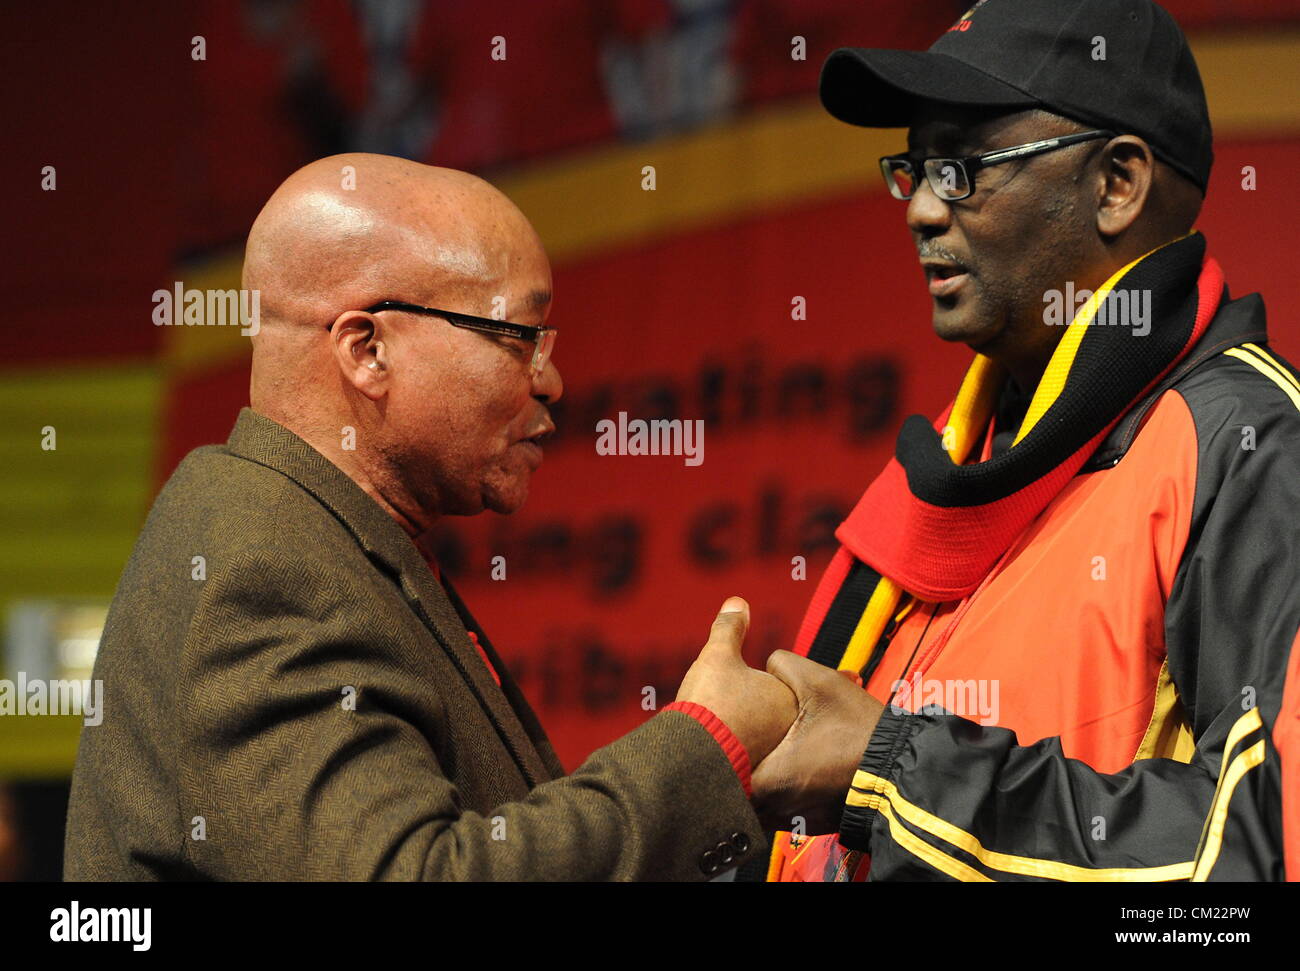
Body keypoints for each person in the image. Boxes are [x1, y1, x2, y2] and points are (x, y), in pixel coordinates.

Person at [63, 155, 867, 881]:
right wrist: (708, 745)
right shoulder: (268, 566)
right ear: (367, 349)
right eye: (518, 335)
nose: (550, 381)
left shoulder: (320, 536)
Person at [753, 0, 1300, 881]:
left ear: (1117, 184)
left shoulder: (1251, 447)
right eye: (916, 168)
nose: (922, 210)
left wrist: (897, 772)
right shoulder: (942, 471)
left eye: (964, 168)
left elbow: (1262, 856)